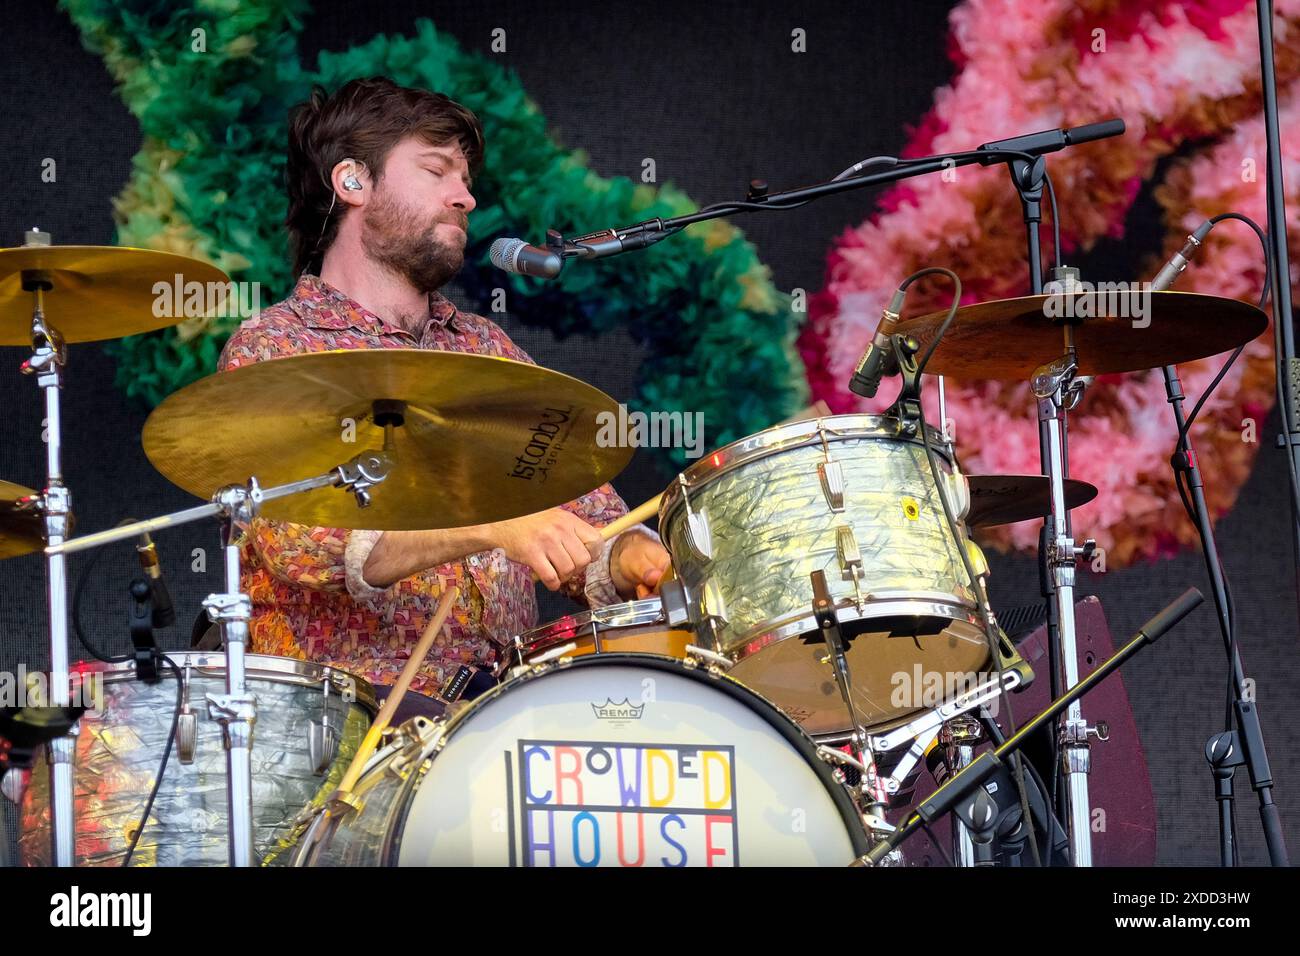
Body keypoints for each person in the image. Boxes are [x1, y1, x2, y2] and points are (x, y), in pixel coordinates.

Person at [217, 77, 671, 709]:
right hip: (342, 729)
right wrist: (495, 525)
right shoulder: (277, 348)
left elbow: (585, 524)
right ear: (352, 182)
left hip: (493, 726)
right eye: (437, 171)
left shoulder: (485, 349)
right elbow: (305, 544)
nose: (466, 196)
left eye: (465, 179)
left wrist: (633, 558)